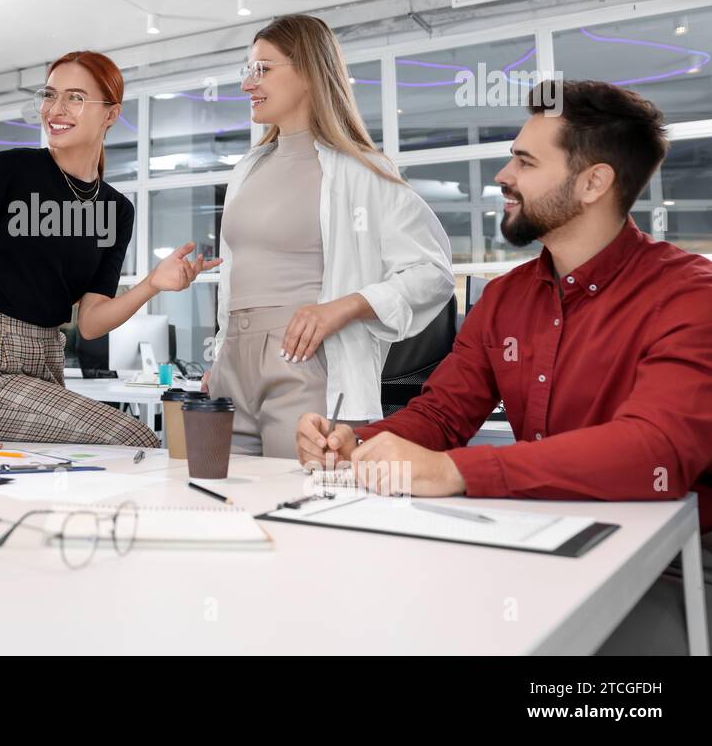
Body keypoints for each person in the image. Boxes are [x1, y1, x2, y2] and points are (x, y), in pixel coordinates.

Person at [296, 79, 712, 653]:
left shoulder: (690, 295)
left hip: (670, 557)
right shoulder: (505, 298)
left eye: (524, 161)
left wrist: (458, 472)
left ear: (594, 183)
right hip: (534, 538)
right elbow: (442, 414)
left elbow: (654, 453)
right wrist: (359, 440)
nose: (502, 176)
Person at [0, 51, 218, 446]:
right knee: (133, 435)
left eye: (75, 97)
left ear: (110, 114)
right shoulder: (11, 169)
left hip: (45, 366)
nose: (55, 110)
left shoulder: (116, 210)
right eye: (49, 95)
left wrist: (153, 284)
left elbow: (91, 323)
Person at [204, 14, 453, 457]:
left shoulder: (362, 171)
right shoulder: (246, 170)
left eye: (261, 69)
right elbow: (236, 282)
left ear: (307, 73)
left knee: (299, 510)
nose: (247, 85)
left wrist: (344, 307)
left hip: (307, 366)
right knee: (227, 510)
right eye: (247, 70)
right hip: (231, 373)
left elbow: (432, 273)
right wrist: (223, 356)